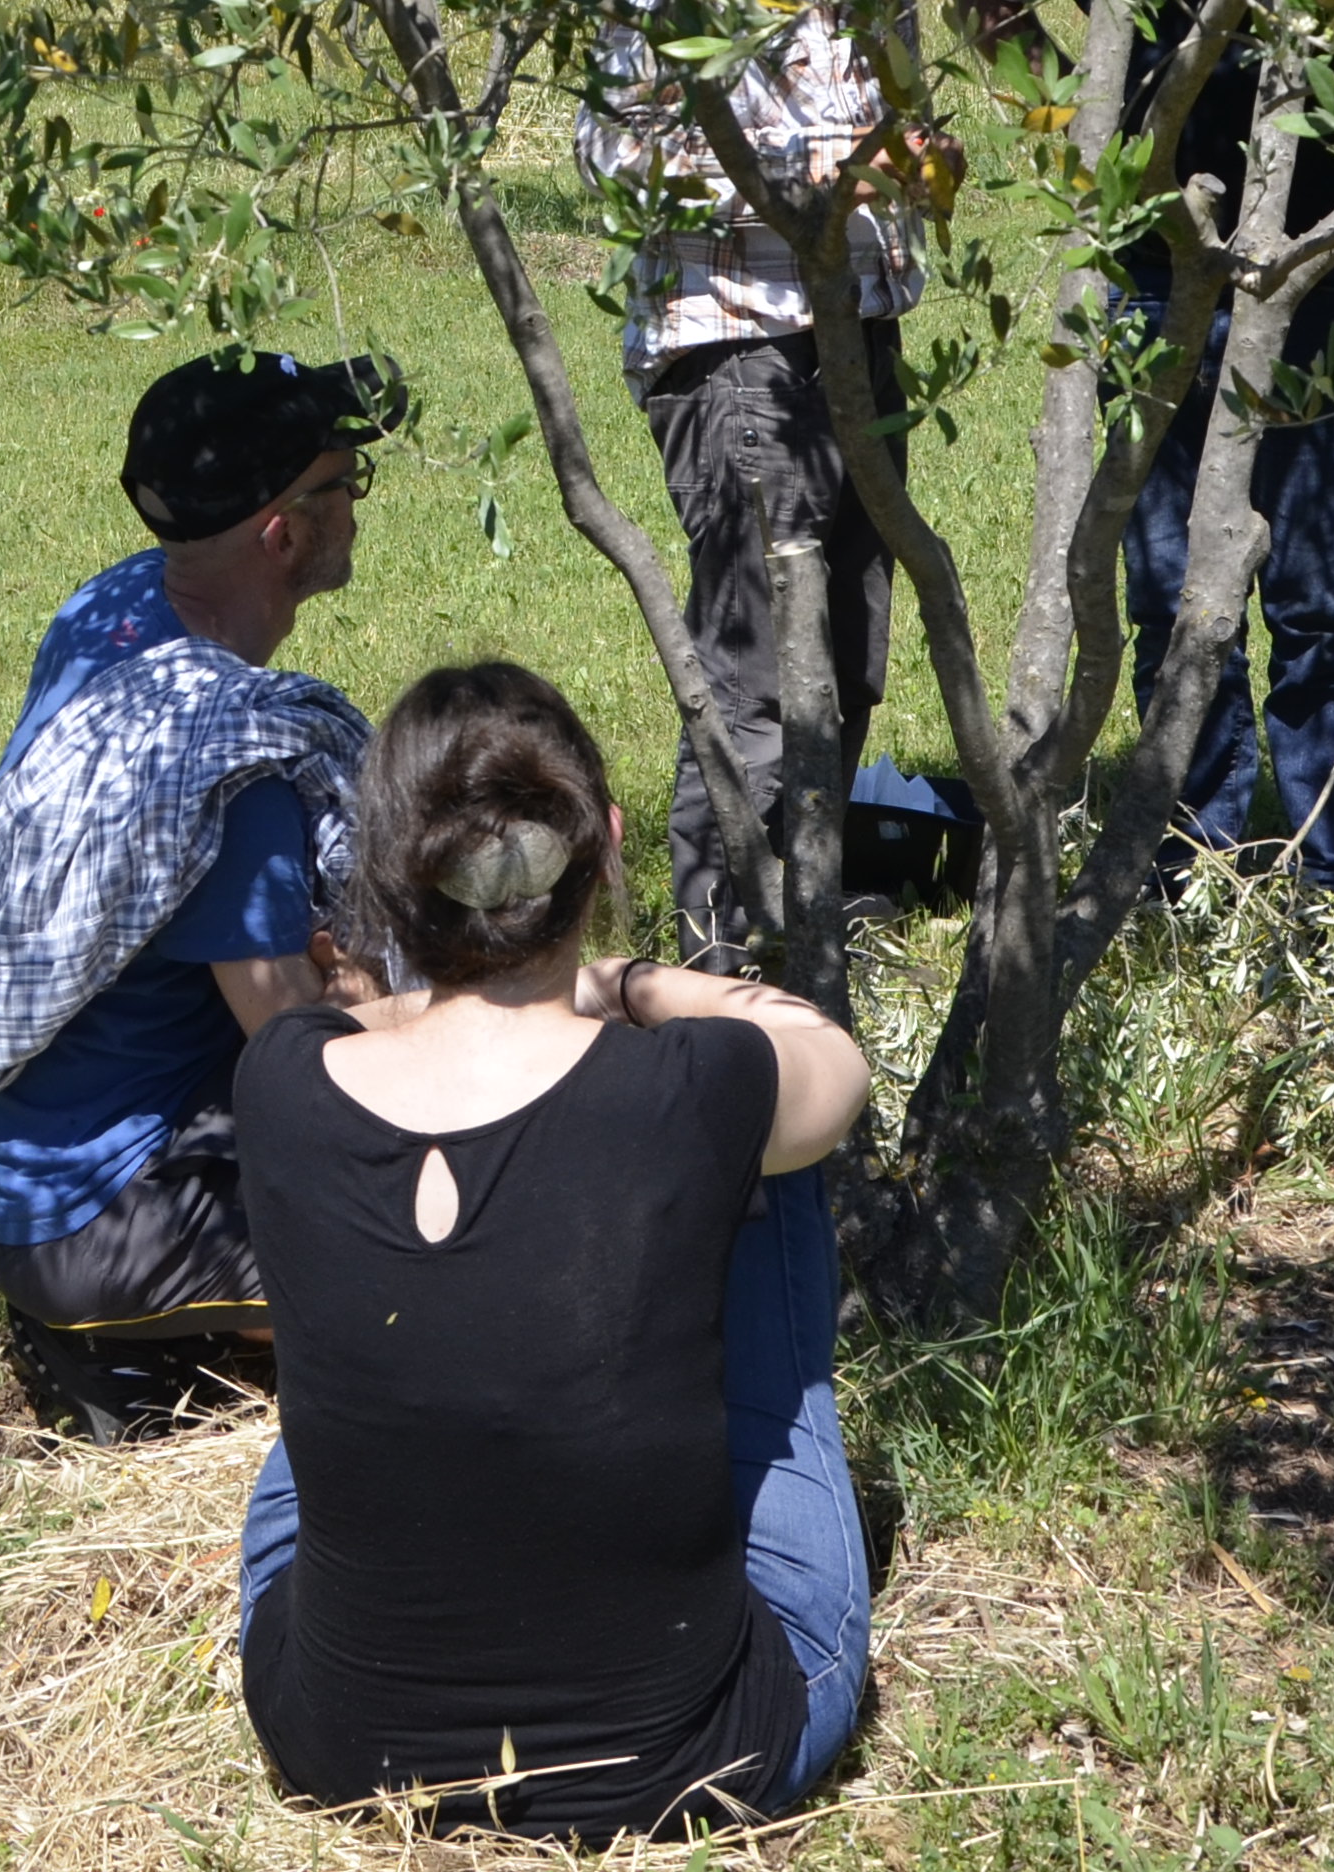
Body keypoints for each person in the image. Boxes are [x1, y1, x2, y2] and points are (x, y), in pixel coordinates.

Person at [234, 664, 875, 1840]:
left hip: (337, 1739)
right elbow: (831, 1065)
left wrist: (428, 997)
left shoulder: (279, 1081)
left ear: (385, 872)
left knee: (366, 1342)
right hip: (691, 1757)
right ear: (605, 845)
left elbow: (353, 1024)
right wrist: (620, 984)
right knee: (774, 1165)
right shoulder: (688, 1087)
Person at [0, 352, 400, 1442]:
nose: (358, 504)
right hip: (100, 1219)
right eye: (349, 483)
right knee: (435, 1267)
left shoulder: (110, 614)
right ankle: (135, 1336)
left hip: (49, 1163)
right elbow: (299, 1058)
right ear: (282, 531)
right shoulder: (231, 782)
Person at [948, 0, 1334, 931]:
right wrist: (1081, 131)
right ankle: (1194, 881)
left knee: (1318, 606)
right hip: (1155, 279)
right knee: (1169, 600)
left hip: (1318, 277)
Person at [576, 0, 933, 965]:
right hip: (729, 341)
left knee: (850, 650)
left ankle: (803, 913)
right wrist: (810, 177)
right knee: (755, 668)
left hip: (858, 329)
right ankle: (716, 950)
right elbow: (611, 158)